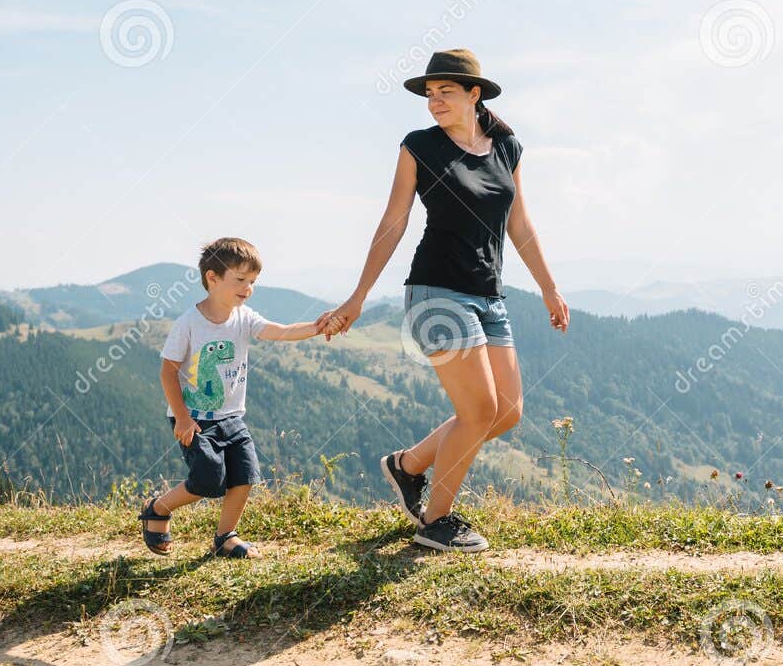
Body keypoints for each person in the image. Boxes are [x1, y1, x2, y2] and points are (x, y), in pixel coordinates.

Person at [320, 48, 568, 552]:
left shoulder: (507, 147)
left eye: (445, 92)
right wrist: (359, 295)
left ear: (474, 94)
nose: (434, 102)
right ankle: (435, 521)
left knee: (506, 413)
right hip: (436, 292)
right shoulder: (419, 147)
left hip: (488, 296)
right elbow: (394, 223)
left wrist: (548, 286)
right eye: (430, 94)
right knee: (476, 411)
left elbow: (519, 225)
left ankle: (407, 466)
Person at [139, 237, 325, 559]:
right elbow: (167, 373)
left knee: (244, 476)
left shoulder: (245, 317)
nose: (248, 288)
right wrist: (182, 417)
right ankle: (157, 508)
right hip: (194, 418)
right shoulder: (188, 324)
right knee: (208, 481)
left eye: (252, 281)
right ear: (212, 278)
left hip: (232, 417)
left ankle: (226, 537)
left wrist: (318, 326)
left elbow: (281, 331)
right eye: (240, 280)